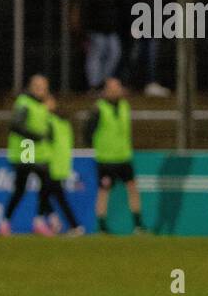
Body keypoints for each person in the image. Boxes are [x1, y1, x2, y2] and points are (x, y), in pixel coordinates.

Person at [87, 77, 146, 234]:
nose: (115, 91)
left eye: (117, 88)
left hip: (124, 156)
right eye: (111, 89)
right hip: (106, 158)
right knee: (104, 190)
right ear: (106, 91)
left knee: (133, 188)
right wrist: (96, 147)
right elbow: (88, 131)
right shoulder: (99, 108)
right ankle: (102, 226)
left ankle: (138, 225)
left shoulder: (125, 106)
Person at [0, 74, 55, 236]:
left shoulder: (43, 106)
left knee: (46, 184)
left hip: (41, 151)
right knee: (21, 188)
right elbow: (15, 125)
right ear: (31, 87)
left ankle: (39, 220)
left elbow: (46, 126)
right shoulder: (24, 103)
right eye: (37, 86)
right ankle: (5, 221)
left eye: (43, 87)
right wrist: (35, 136)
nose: (40, 90)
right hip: (27, 148)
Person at [42, 96, 85, 236]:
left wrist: (27, 161)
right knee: (53, 196)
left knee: (49, 196)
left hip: (50, 164)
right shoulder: (63, 122)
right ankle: (69, 225)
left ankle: (67, 224)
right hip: (57, 164)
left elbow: (31, 140)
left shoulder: (49, 122)